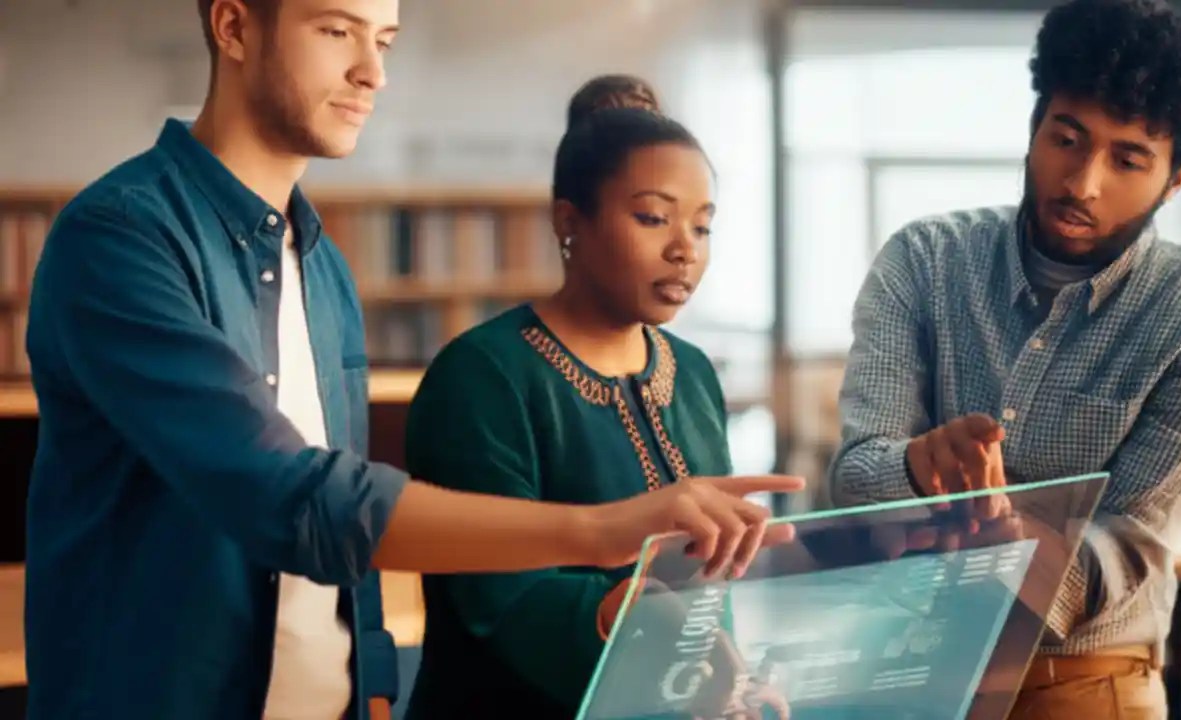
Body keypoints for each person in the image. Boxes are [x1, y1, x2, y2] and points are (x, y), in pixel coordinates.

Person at [21, 3, 803, 719]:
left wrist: (375, 685)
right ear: (233, 26)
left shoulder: (321, 264)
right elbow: (292, 497)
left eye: (383, 39)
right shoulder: (119, 238)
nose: (373, 71)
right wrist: (603, 533)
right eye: (337, 31)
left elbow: (339, 505)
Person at [826, 0, 1181, 717]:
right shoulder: (925, 262)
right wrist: (914, 467)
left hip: (1085, 679)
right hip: (908, 663)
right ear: (1033, 129)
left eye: (1128, 159)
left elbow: (1130, 550)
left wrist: (1017, 545)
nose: (1083, 182)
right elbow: (854, 474)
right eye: (1068, 139)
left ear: (1175, 179)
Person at [401, 75, 787, 718]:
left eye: (702, 227)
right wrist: (627, 619)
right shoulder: (483, 374)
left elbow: (708, 586)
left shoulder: (690, 372)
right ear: (568, 221)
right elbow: (501, 597)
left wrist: (737, 688)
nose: (683, 250)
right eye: (652, 218)